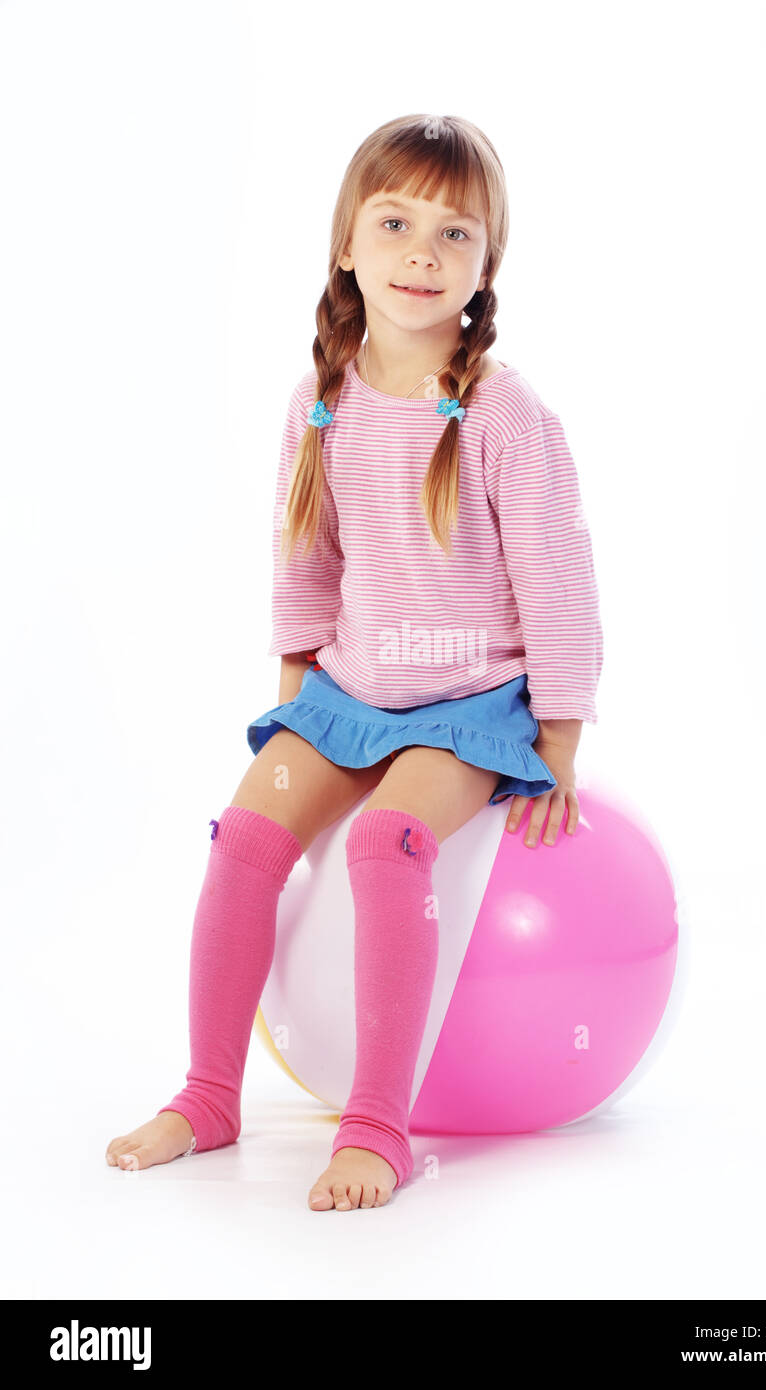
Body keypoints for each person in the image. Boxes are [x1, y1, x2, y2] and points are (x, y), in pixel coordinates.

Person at [105, 113, 604, 1211]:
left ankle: (376, 1125)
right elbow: (303, 566)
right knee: (242, 835)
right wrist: (294, 718)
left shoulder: (497, 410)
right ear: (345, 245)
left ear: (484, 267)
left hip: (470, 701)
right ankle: (207, 1093)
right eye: (393, 223)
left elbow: (557, 575)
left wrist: (556, 734)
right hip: (351, 691)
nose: (420, 253)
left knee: (384, 840)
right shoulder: (318, 402)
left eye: (453, 233)